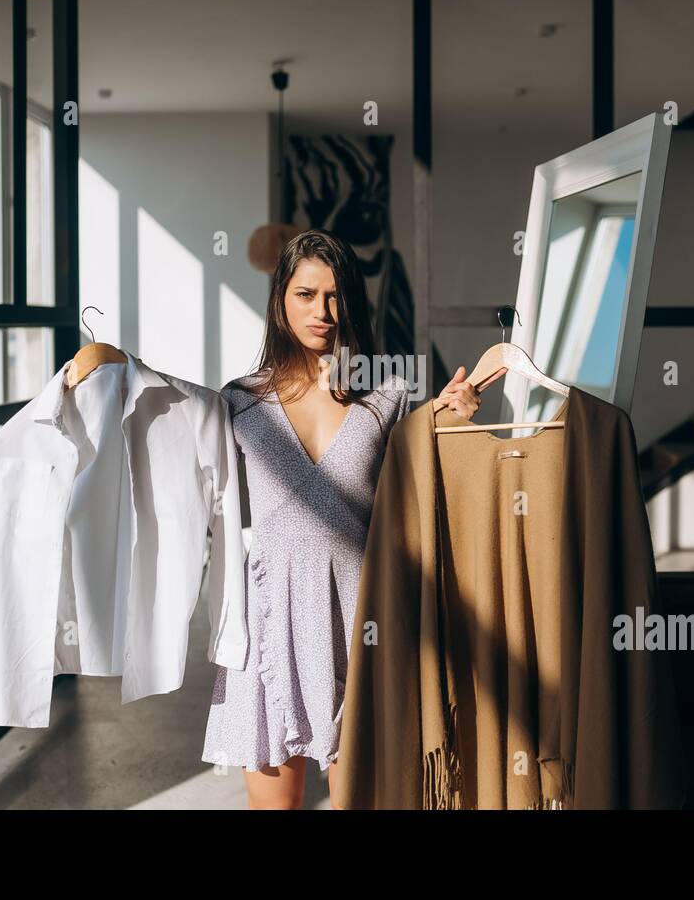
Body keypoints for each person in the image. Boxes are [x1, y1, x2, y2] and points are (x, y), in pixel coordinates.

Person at [201, 228, 489, 808]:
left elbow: (431, 487)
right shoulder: (239, 400)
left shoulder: (389, 395)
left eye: (335, 297)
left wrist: (457, 419)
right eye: (306, 294)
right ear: (281, 297)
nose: (323, 312)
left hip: (360, 620)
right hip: (271, 619)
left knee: (361, 798)